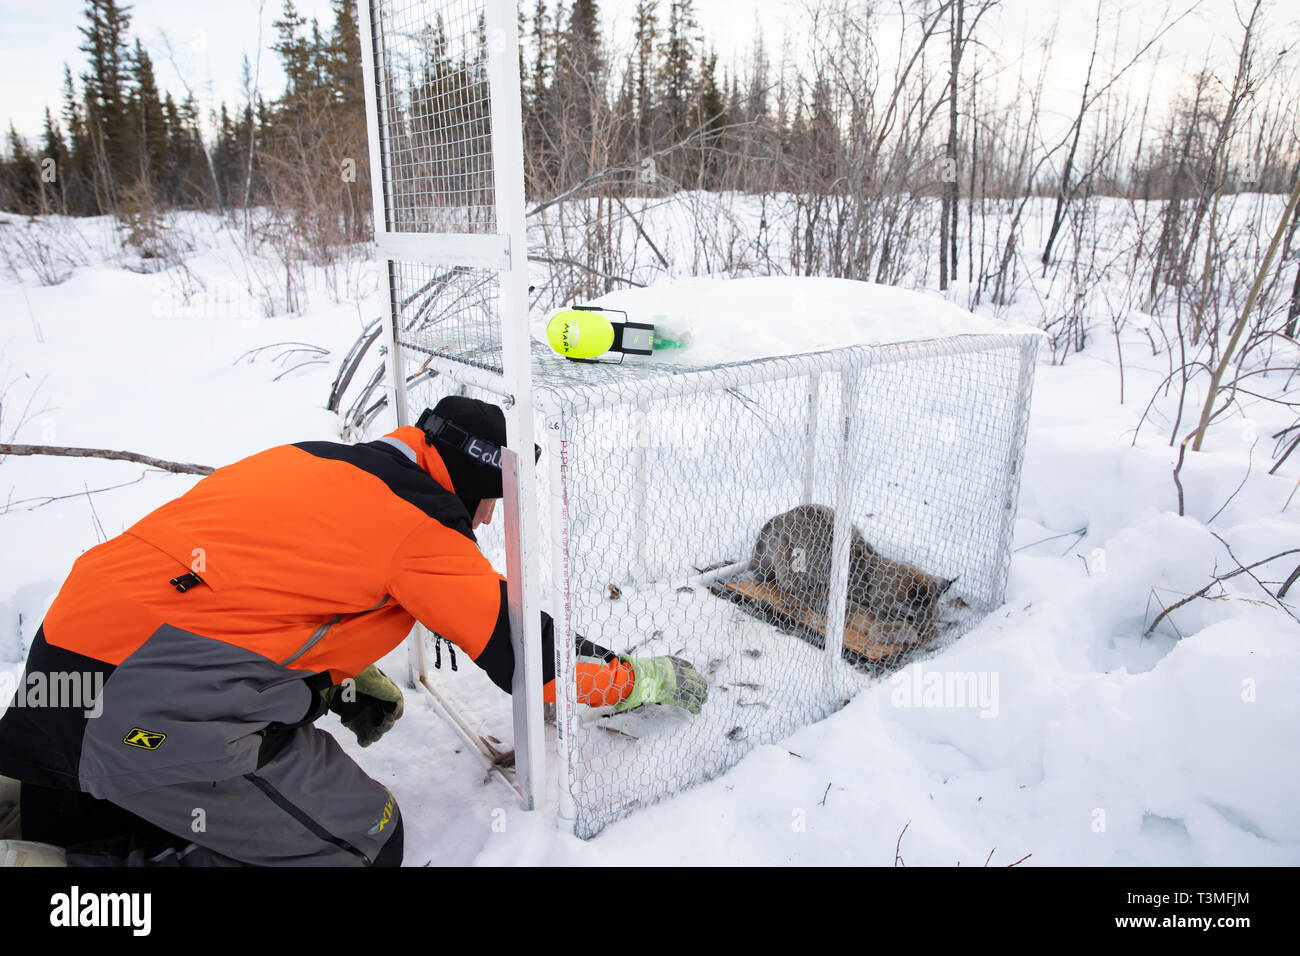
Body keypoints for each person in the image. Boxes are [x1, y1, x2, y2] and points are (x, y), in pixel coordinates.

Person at [0, 396, 706, 867]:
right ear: (470, 479)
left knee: (122, 796)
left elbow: (255, 585)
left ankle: (57, 821)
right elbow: (532, 657)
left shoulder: (320, 461)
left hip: (66, 665)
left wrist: (329, 683)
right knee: (363, 842)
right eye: (490, 502)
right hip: (143, 703)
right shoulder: (421, 531)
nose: (488, 521)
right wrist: (639, 679)